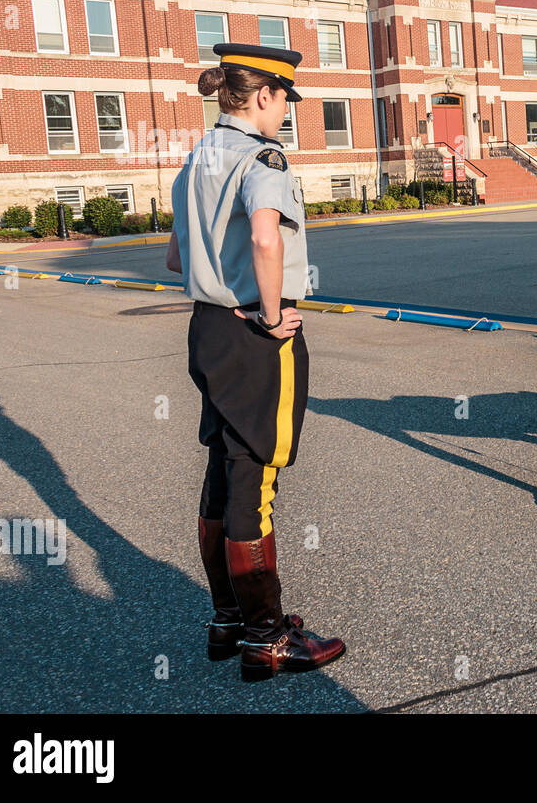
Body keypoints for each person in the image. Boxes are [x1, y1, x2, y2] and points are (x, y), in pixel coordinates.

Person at [165, 42, 345, 682]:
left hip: (208, 329)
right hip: (254, 334)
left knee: (222, 465)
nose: (285, 115)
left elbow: (173, 261)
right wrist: (271, 316)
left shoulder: (197, 158)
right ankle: (267, 639)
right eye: (284, 102)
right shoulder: (260, 157)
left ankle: (228, 619)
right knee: (256, 480)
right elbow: (267, 236)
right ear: (265, 95)